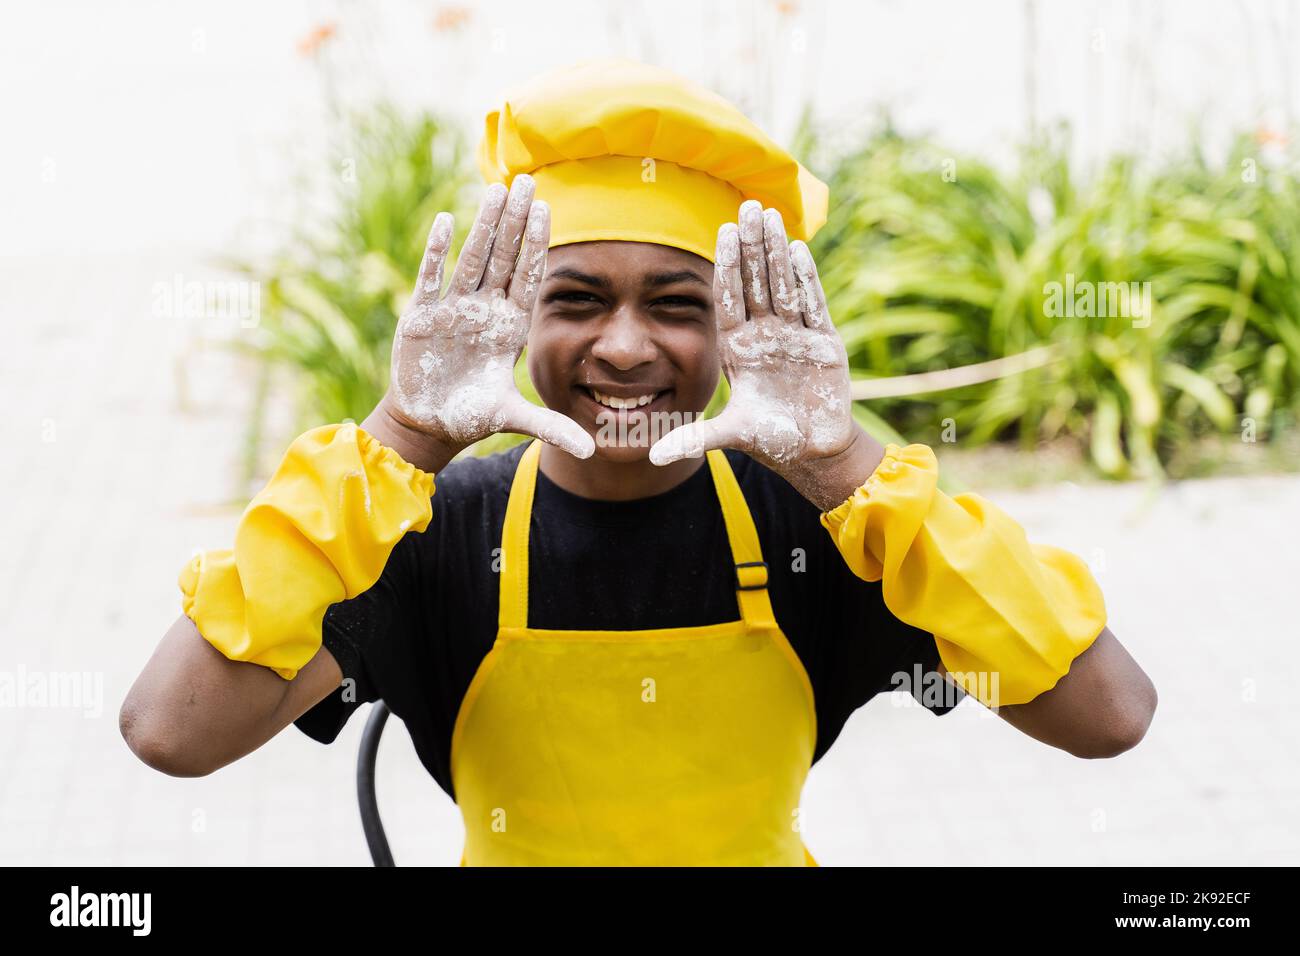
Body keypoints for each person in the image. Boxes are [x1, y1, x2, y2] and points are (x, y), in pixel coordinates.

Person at [120, 58, 1157, 867]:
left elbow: (1107, 712)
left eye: (675, 303)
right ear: (517, 314)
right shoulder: (434, 531)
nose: (624, 347)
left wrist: (840, 462)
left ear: (737, 325)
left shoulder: (819, 528)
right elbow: (171, 728)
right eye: (575, 300)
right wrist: (406, 433)